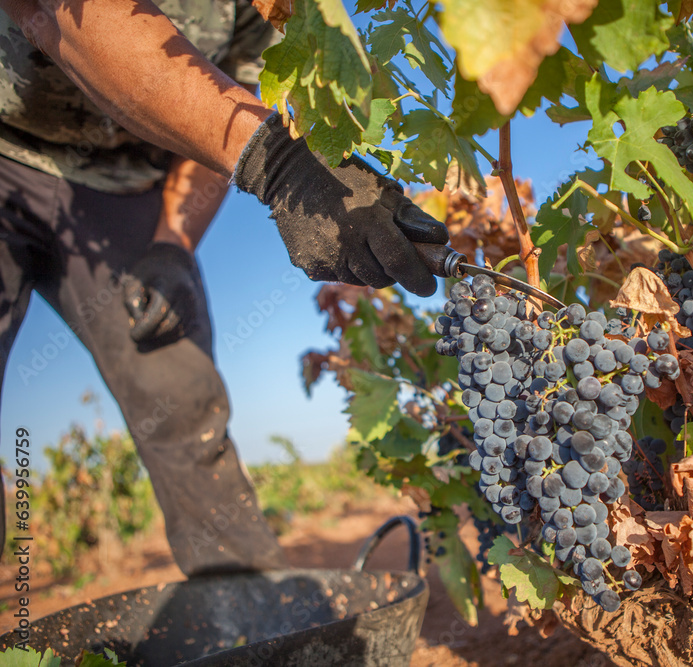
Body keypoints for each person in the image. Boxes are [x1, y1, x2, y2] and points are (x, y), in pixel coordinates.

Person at [0, 0, 448, 575]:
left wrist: (171, 244)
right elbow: (64, 15)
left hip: (125, 185)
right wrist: (279, 166)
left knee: (181, 395)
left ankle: (247, 622)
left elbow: (234, 94)